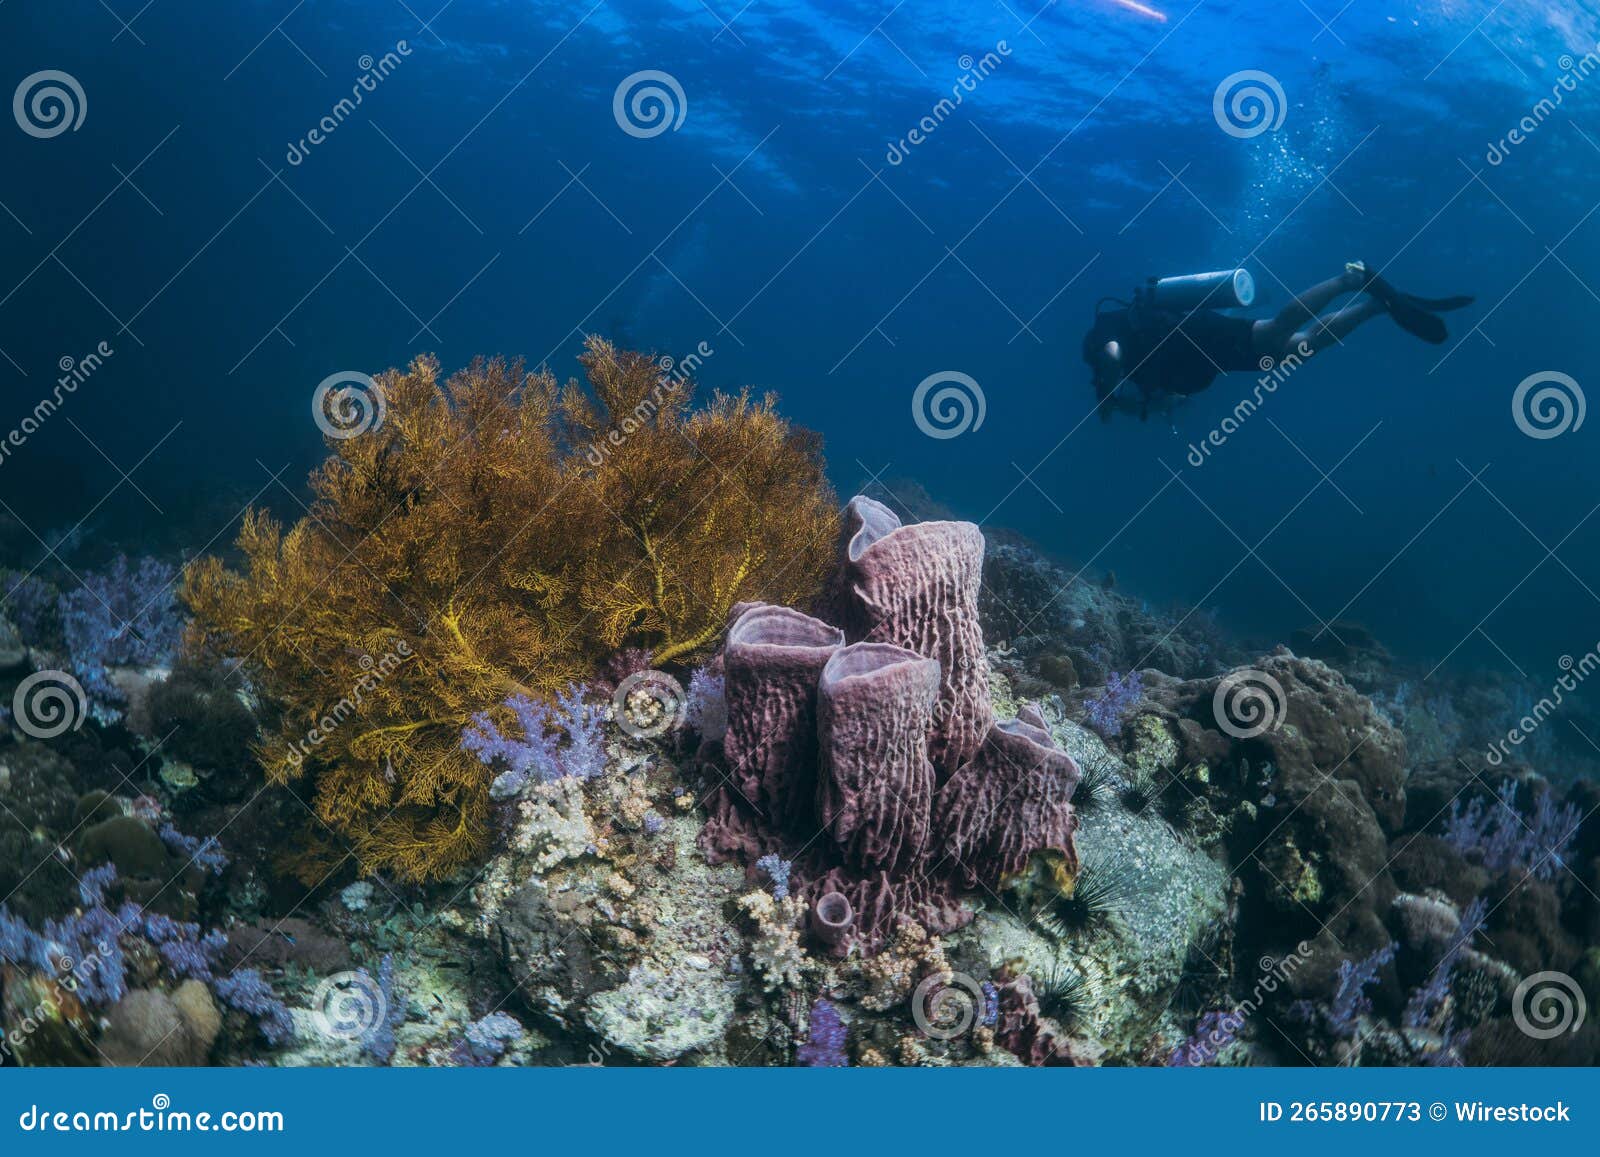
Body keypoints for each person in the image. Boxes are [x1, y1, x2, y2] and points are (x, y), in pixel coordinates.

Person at [1084, 262, 1473, 421]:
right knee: (1299, 349)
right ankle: (1373, 307)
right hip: (1209, 356)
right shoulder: (1127, 382)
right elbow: (1165, 394)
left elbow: (1110, 351)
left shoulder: (1103, 338)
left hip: (1200, 336)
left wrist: (1111, 376)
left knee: (1275, 332)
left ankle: (1348, 280)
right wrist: (1130, 400)